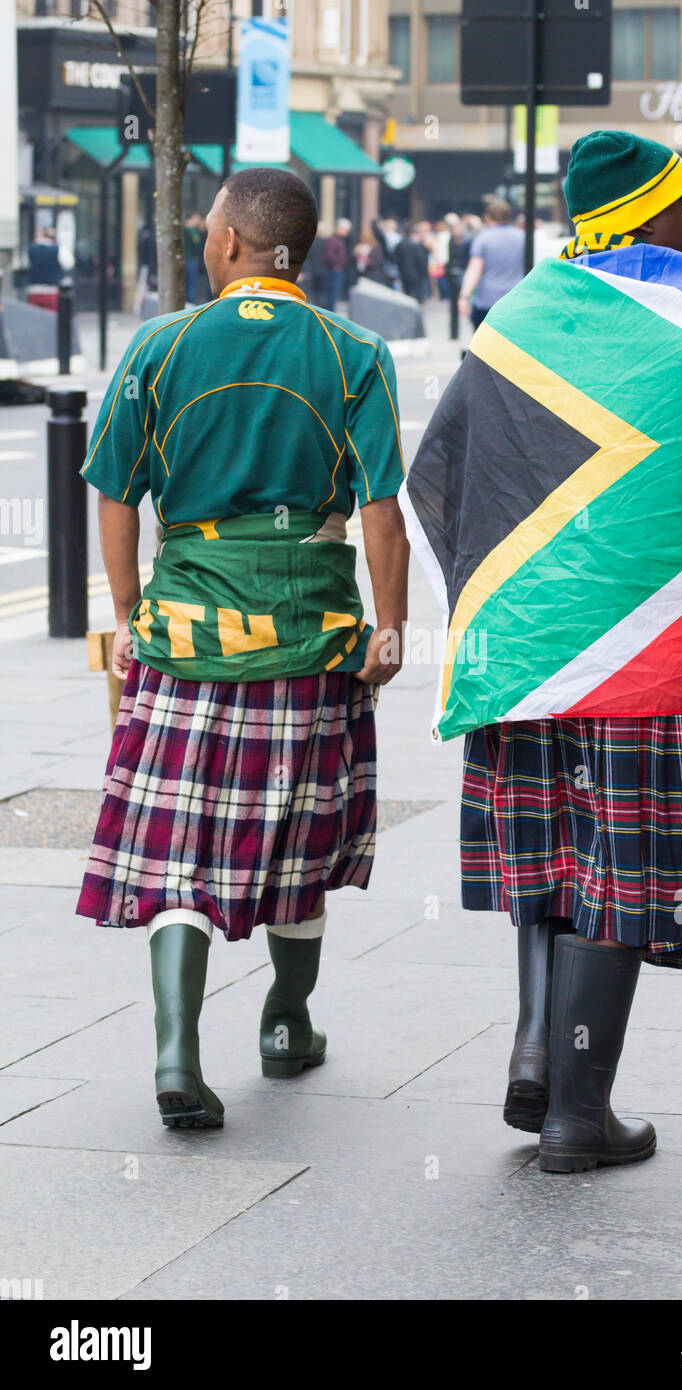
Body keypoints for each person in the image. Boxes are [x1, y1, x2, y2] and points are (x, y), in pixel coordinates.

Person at [400, 130, 682, 1173]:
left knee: (548, 848)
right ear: (643, 218)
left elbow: (440, 471)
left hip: (530, 653)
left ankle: (540, 1043)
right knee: (619, 862)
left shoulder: (517, 318)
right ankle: (578, 1109)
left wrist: (512, 601)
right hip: (646, 654)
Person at [76, 167, 410, 1130]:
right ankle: (284, 1021)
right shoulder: (355, 351)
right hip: (309, 640)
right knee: (298, 837)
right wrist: (387, 627)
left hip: (185, 634)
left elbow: (114, 491)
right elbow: (382, 509)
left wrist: (134, 612)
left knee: (178, 845)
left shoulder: (161, 343)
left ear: (227, 243)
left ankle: (176, 1051)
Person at [458, 197, 524, 328]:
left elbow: (475, 269)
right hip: (516, 301)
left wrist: (464, 296)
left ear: (488, 217)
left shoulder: (482, 239)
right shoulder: (523, 237)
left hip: (487, 302)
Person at [322, 217, 352, 309]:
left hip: (337, 270)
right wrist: (337, 265)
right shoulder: (332, 240)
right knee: (332, 295)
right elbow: (329, 255)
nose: (347, 233)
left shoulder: (339, 240)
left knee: (335, 295)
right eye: (346, 230)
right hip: (334, 271)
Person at [395, 224, 431, 302]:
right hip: (417, 275)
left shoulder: (400, 245)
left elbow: (396, 259)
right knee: (415, 297)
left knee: (407, 295)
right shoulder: (416, 246)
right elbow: (422, 261)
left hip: (404, 274)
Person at [182, 212, 204, 304]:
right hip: (191, 259)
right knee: (192, 283)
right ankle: (190, 303)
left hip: (184, 259)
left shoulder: (182, 228)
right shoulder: (192, 230)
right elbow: (197, 243)